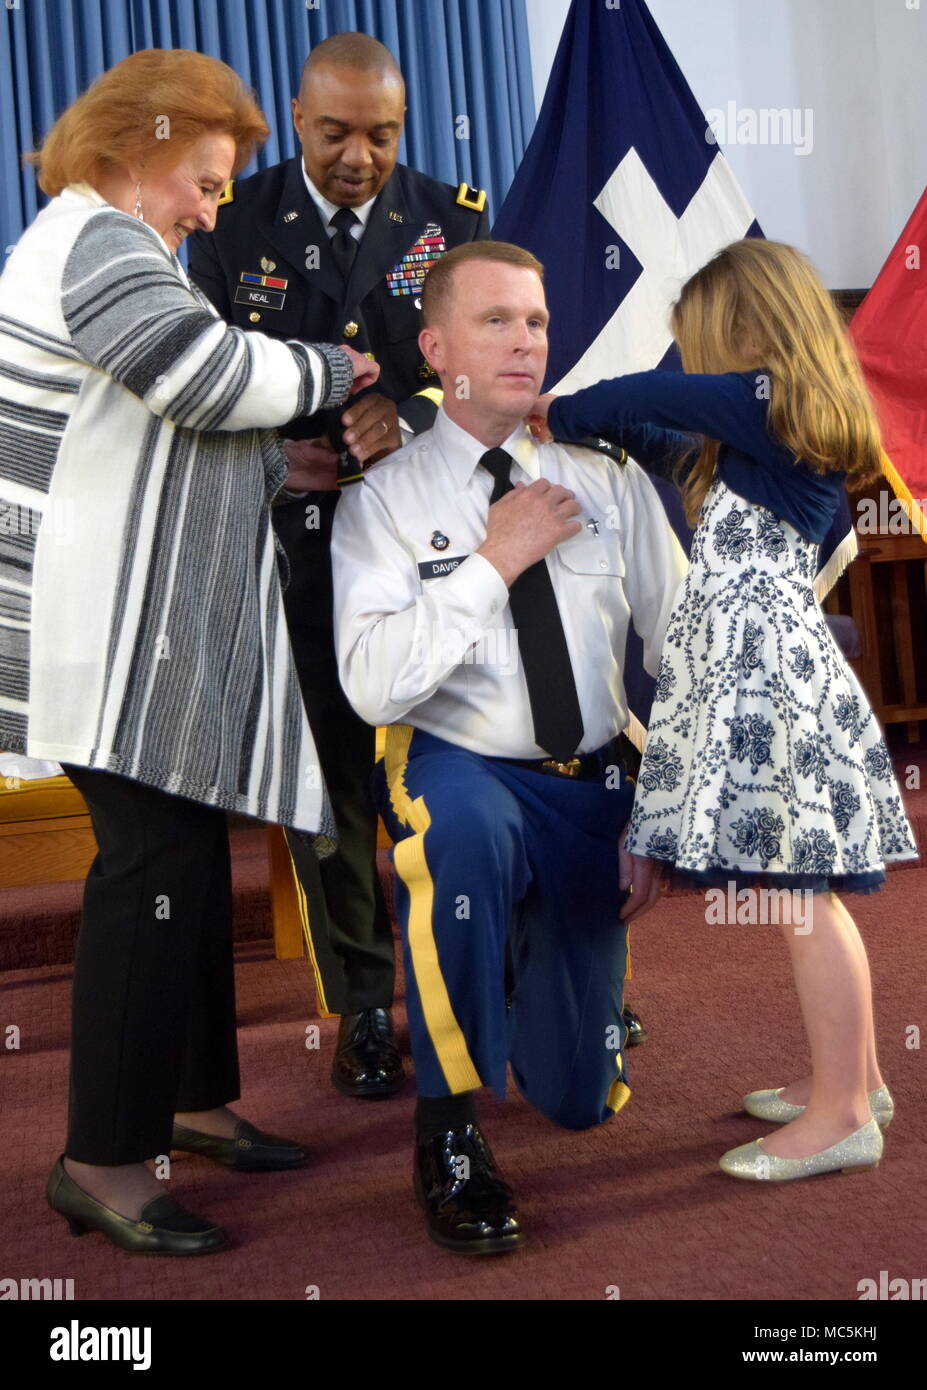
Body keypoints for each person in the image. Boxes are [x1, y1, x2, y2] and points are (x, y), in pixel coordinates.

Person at [0, 48, 377, 1256]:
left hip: (143, 623)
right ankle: (102, 1162)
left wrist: (287, 461)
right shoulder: (93, 240)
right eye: (204, 181)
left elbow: (144, 428)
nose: (213, 209)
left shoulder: (109, 243)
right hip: (112, 629)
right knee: (146, 864)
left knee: (189, 853)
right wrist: (340, 368)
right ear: (135, 142)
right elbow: (198, 376)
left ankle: (192, 1102)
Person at [531, 238, 919, 1183]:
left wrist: (564, 411)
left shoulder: (773, 400)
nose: (692, 363)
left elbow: (642, 402)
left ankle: (837, 1118)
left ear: (746, 330)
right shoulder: (762, 434)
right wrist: (605, 434)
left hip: (768, 684)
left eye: (701, 343)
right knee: (805, 894)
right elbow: (663, 439)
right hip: (763, 674)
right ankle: (854, 1081)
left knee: (797, 896)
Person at [330, 241, 687, 1253]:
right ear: (438, 346)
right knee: (467, 841)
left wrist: (655, 809)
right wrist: (495, 558)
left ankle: (535, 979)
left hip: (588, 779)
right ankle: (446, 1131)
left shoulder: (603, 477)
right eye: (496, 321)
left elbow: (686, 643)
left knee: (581, 1097)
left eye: (534, 321)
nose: (525, 340)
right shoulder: (385, 502)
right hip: (459, 766)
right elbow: (373, 684)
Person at [189, 32, 489, 1101]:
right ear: (298, 115)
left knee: (457, 769)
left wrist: (408, 413)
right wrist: (275, 453)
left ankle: (479, 974)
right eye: (335, 133)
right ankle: (364, 1007)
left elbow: (482, 366)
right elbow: (208, 381)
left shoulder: (452, 216)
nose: (360, 156)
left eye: (382, 133)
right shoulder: (232, 221)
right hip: (302, 543)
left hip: (427, 545)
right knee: (330, 781)